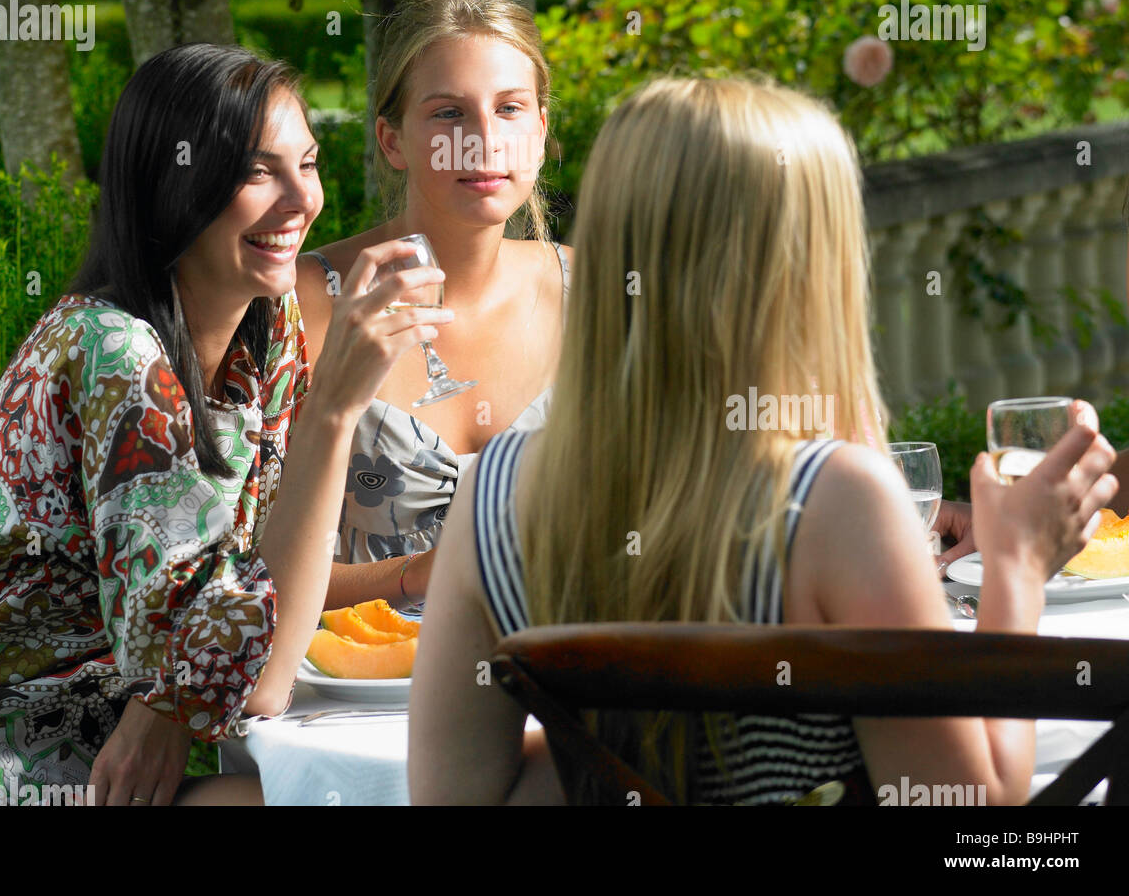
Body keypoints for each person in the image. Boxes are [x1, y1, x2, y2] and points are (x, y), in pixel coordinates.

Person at [408, 75, 1118, 805]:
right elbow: (974, 816)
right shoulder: (833, 501)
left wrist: (610, 739)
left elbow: (458, 796)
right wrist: (1018, 571)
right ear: (808, 269)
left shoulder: (490, 496)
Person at [0, 44, 452, 806]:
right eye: (258, 172)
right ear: (172, 184)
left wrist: (407, 576)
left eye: (311, 162)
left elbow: (256, 587)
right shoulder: (115, 352)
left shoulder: (269, 323)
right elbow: (256, 678)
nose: (302, 200)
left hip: (102, 760)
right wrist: (334, 409)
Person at [296, 0, 569, 614]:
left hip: (554, 678)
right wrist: (415, 574)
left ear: (540, 130)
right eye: (448, 113)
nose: (482, 140)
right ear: (392, 142)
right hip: (350, 691)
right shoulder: (308, 303)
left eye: (509, 109)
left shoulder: (600, 296)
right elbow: (245, 569)